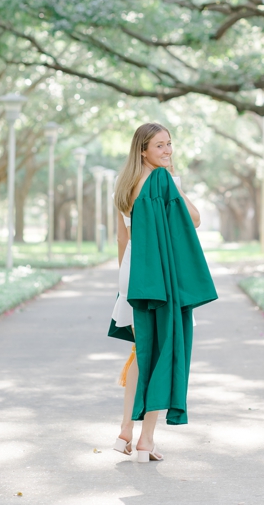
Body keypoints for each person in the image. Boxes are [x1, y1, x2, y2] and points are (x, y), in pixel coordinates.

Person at [110, 122, 214, 462]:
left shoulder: (123, 186)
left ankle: (125, 430)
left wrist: (122, 285)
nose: (167, 150)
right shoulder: (164, 183)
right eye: (159, 146)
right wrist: (177, 187)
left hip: (132, 276)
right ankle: (146, 441)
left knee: (143, 353)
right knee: (163, 351)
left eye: (169, 144)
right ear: (143, 150)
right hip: (160, 278)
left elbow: (122, 240)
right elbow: (194, 220)